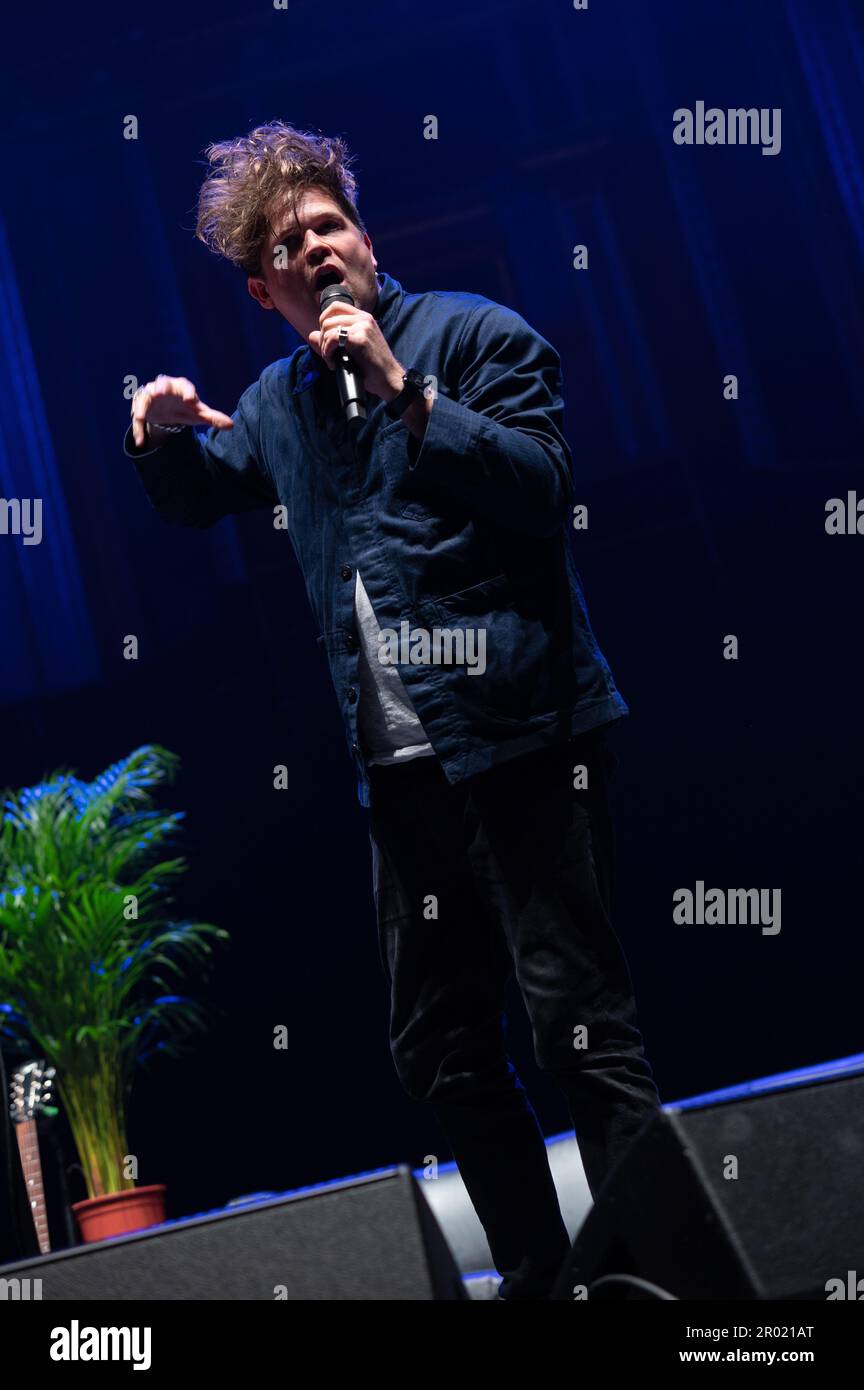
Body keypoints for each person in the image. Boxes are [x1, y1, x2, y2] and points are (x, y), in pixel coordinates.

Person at [125, 120, 662, 1300]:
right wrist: (161, 438)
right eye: (286, 244)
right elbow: (204, 491)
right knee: (443, 1047)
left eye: (329, 226)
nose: (315, 250)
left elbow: (545, 485)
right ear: (264, 289)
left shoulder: (474, 335)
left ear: (366, 241)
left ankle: (649, 1280)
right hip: (403, 779)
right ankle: (540, 1275)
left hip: (525, 740)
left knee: (579, 1024)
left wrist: (407, 393)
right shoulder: (276, 401)